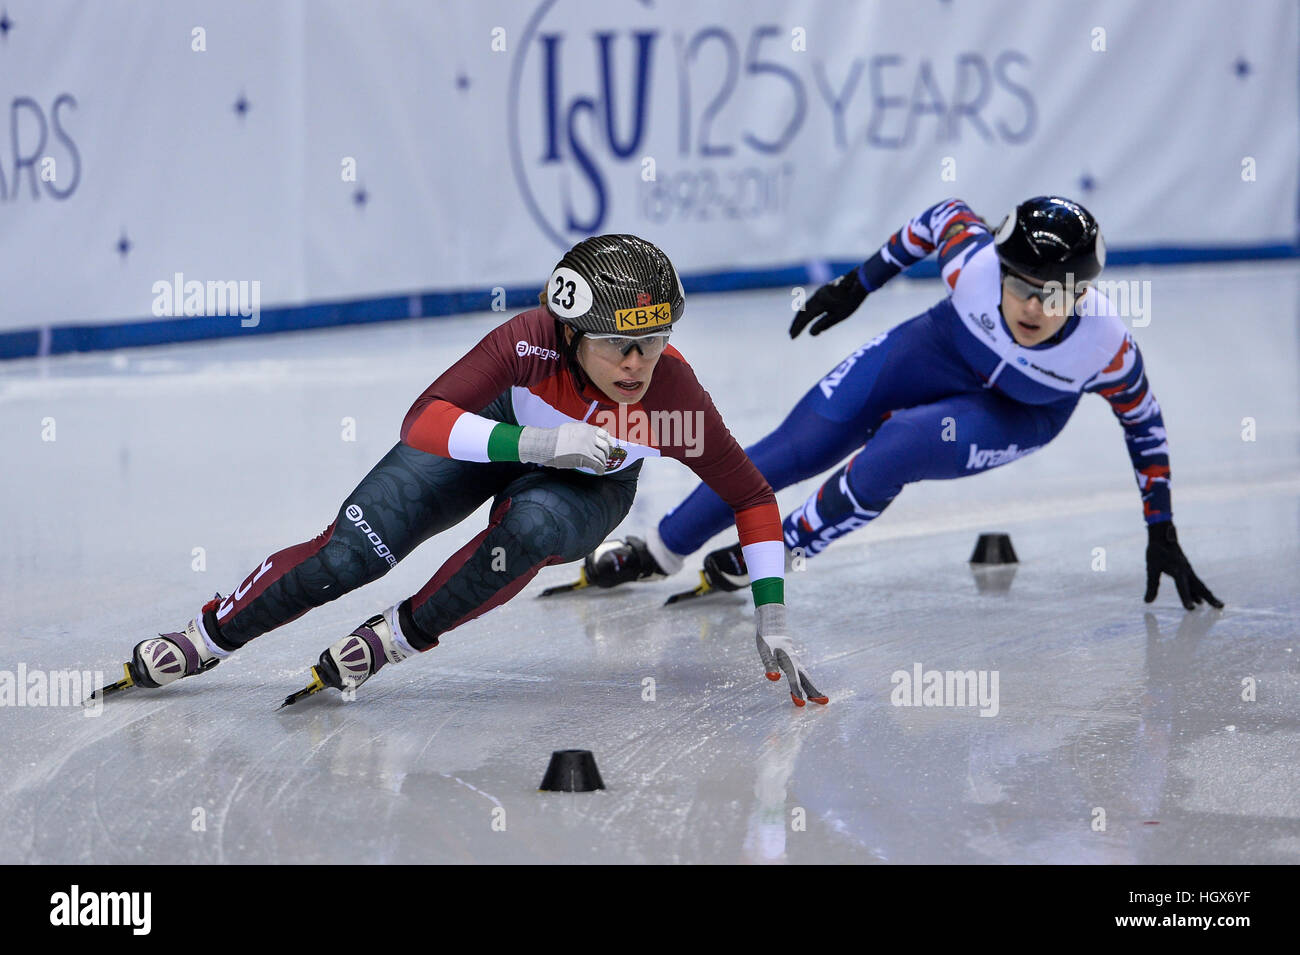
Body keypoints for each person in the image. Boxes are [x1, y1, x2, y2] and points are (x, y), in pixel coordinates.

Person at [104, 234, 826, 706]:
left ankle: (394, 635)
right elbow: (424, 419)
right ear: (569, 331)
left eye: (655, 341)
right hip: (501, 435)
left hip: (589, 486)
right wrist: (541, 446)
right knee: (351, 552)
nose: (638, 365)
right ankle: (207, 636)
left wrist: (772, 611)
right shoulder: (528, 342)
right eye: (618, 346)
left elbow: (751, 497)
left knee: (532, 524)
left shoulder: (672, 392)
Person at [581, 197, 1222, 613]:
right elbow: (940, 218)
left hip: (1018, 410)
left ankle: (782, 548)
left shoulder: (1106, 349)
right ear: (998, 269)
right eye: (1020, 285)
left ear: (1082, 294)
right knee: (793, 447)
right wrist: (856, 286)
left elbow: (1146, 430)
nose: (1033, 307)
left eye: (1054, 295)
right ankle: (660, 549)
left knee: (901, 445)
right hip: (939, 348)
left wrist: (1160, 526)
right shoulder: (972, 263)